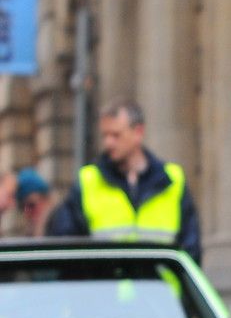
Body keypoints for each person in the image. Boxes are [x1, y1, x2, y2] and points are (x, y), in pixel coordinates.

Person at [47, 100, 202, 257]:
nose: (108, 143)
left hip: (159, 282)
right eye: (105, 135)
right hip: (108, 282)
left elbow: (190, 247)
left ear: (138, 132)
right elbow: (65, 243)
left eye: (116, 135)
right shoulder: (89, 181)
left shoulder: (173, 180)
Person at [16, 168, 52, 236]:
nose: (26, 212)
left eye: (31, 205)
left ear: (46, 200)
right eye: (22, 207)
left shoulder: (60, 226)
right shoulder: (31, 230)